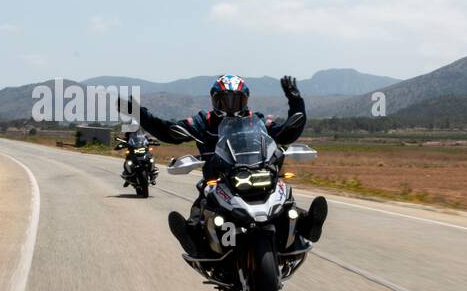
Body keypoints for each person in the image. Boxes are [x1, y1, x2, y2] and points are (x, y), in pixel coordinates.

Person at [122, 74, 327, 256]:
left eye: (236, 100)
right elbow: (170, 131)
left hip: (259, 175)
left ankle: (308, 224)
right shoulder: (203, 121)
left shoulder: (257, 121)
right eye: (224, 100)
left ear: (245, 100)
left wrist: (296, 101)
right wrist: (140, 114)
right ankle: (191, 237)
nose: (230, 106)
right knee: (203, 203)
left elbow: (286, 133)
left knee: (284, 197)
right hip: (219, 181)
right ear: (214, 101)